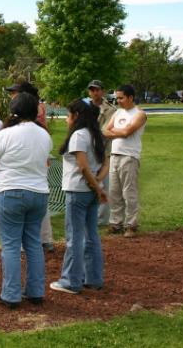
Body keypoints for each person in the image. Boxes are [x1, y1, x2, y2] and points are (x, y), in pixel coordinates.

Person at [0, 93, 53, 309]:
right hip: (39, 193)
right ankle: (36, 291)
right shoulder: (44, 135)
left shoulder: (6, 134)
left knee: (11, 245)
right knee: (33, 243)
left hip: (10, 191)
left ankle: (11, 295)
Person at [50, 99, 108, 295]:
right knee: (91, 235)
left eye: (68, 115)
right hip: (91, 191)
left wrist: (96, 186)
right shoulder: (96, 134)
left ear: (76, 115)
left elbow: (82, 166)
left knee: (74, 237)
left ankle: (70, 281)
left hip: (78, 191)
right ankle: (93, 278)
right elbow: (106, 162)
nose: (67, 119)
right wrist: (98, 183)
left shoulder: (78, 135)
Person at [5, 81, 54, 252]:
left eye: (14, 93)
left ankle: (43, 239)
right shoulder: (28, 109)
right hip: (31, 158)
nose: (12, 96)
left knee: (34, 199)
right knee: (37, 198)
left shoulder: (34, 109)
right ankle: (43, 239)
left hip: (31, 159)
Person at [104, 84, 147, 238]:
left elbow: (128, 132)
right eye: (117, 98)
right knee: (114, 192)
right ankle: (116, 223)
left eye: (121, 98)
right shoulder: (117, 113)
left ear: (130, 97)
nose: (118, 101)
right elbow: (105, 130)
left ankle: (131, 224)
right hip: (115, 155)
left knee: (129, 192)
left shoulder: (139, 114)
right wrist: (119, 132)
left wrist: (116, 131)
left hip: (129, 156)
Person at [86, 80, 116, 226]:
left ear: (102, 91)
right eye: (92, 90)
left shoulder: (110, 109)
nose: (94, 92)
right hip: (87, 148)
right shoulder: (85, 106)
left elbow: (105, 131)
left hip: (103, 149)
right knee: (87, 181)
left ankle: (101, 219)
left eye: (97, 90)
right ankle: (89, 215)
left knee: (104, 183)